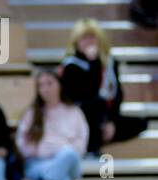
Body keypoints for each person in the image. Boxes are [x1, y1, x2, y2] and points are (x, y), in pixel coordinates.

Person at [59, 19, 148, 154]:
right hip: (81, 119)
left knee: (141, 123)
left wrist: (110, 121)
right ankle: (91, 144)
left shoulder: (110, 63)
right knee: (95, 104)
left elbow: (117, 95)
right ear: (76, 43)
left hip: (105, 118)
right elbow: (89, 93)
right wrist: (94, 62)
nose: (89, 42)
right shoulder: (71, 66)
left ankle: (101, 136)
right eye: (84, 38)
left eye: (92, 37)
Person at [16, 69, 89, 180]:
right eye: (41, 85)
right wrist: (53, 148)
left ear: (59, 85)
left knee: (68, 154)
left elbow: (81, 145)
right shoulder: (31, 114)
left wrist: (53, 147)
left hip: (70, 162)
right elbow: (23, 146)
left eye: (49, 83)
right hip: (39, 164)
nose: (45, 89)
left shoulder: (74, 112)